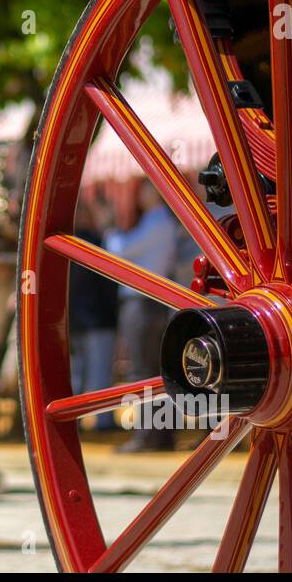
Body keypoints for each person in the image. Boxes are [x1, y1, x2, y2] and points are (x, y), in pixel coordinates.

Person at [106, 178, 180, 452]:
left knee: (143, 370)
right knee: (159, 371)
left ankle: (146, 435)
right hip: (157, 301)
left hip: (140, 302)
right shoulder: (162, 221)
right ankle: (161, 435)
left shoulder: (155, 222)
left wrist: (111, 228)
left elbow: (117, 250)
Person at [67, 193, 119, 431]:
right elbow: (107, 285)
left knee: (76, 375)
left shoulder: (68, 244)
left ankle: (73, 419)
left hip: (76, 319)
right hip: (98, 318)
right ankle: (102, 420)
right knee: (99, 373)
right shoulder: (96, 241)